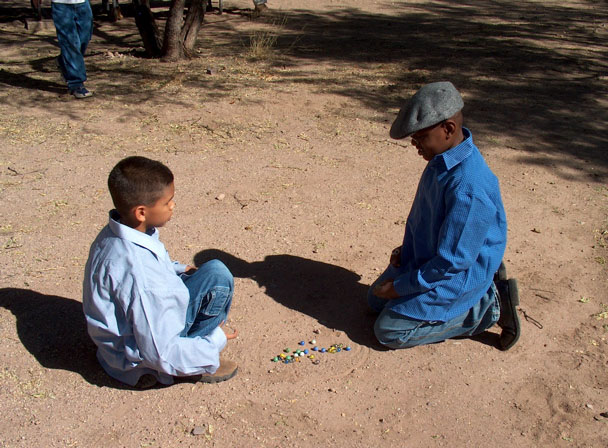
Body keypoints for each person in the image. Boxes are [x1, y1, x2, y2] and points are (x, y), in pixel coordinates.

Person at [367, 81, 521, 351]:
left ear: (448, 129)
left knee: (388, 331)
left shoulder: (468, 186)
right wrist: (405, 254)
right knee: (374, 301)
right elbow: (424, 221)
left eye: (419, 138)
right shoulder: (440, 160)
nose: (415, 145)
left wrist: (402, 287)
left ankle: (487, 308)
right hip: (429, 260)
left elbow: (452, 263)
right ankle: (442, 300)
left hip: (454, 272)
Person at [83, 156, 238, 389]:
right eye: (167, 202)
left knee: (214, 271)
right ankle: (192, 360)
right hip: (139, 356)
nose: (172, 206)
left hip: (131, 331)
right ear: (141, 212)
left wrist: (178, 269)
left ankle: (193, 350)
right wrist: (214, 341)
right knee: (219, 283)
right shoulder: (141, 275)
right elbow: (160, 352)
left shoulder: (118, 231)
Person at [51, 0, 93, 99]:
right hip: (61, 5)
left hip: (83, 3)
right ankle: (76, 83)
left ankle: (63, 61)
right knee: (71, 43)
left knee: (85, 37)